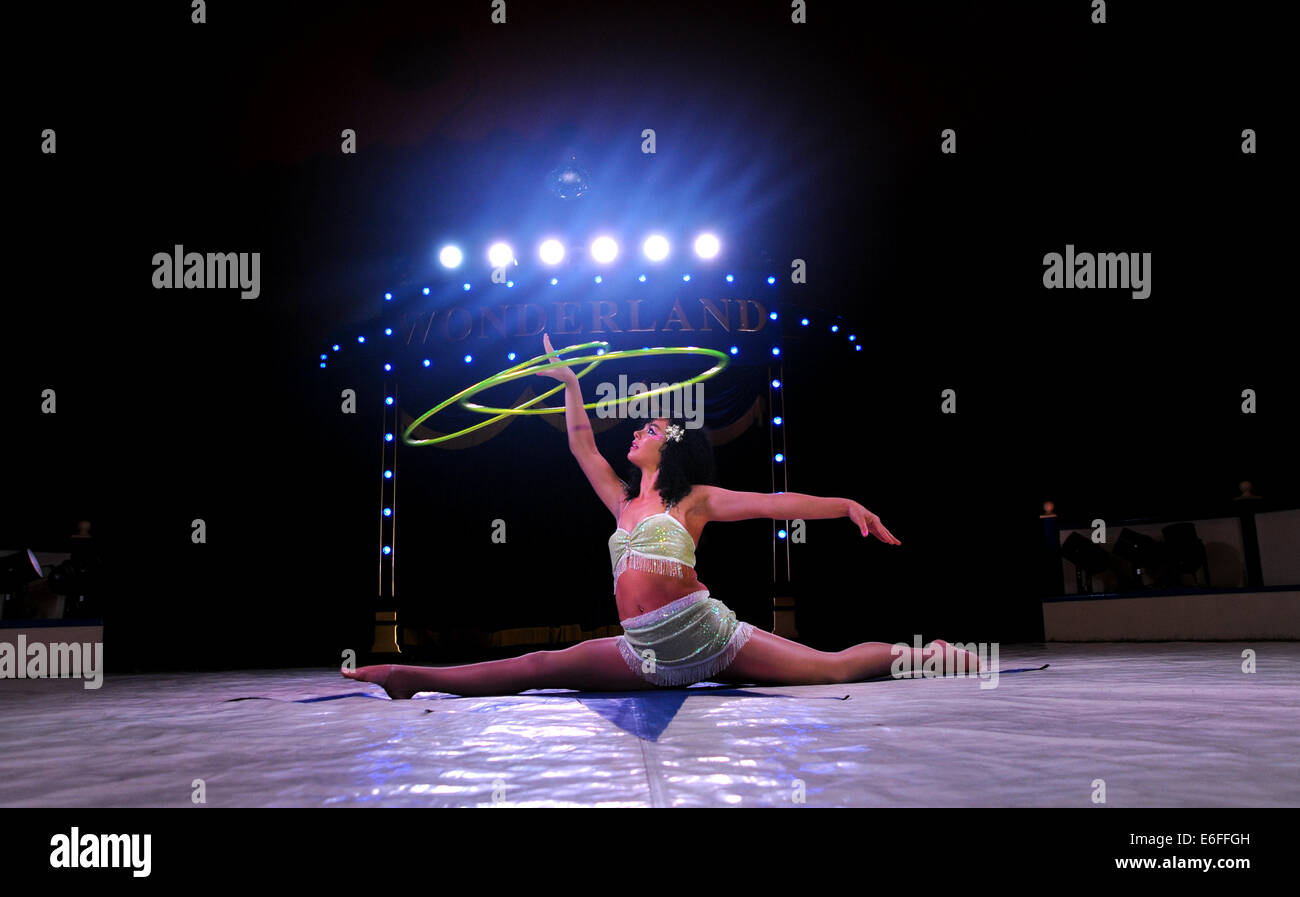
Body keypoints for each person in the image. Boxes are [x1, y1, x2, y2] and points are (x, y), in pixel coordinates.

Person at [343, 334, 978, 698]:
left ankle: (934, 654)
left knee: (833, 666)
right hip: (643, 653)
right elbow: (580, 445)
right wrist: (568, 384)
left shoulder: (693, 499)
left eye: (650, 427)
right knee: (536, 668)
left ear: (670, 445)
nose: (638, 431)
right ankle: (407, 676)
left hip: (707, 634)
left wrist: (846, 507)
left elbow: (775, 504)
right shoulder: (622, 500)